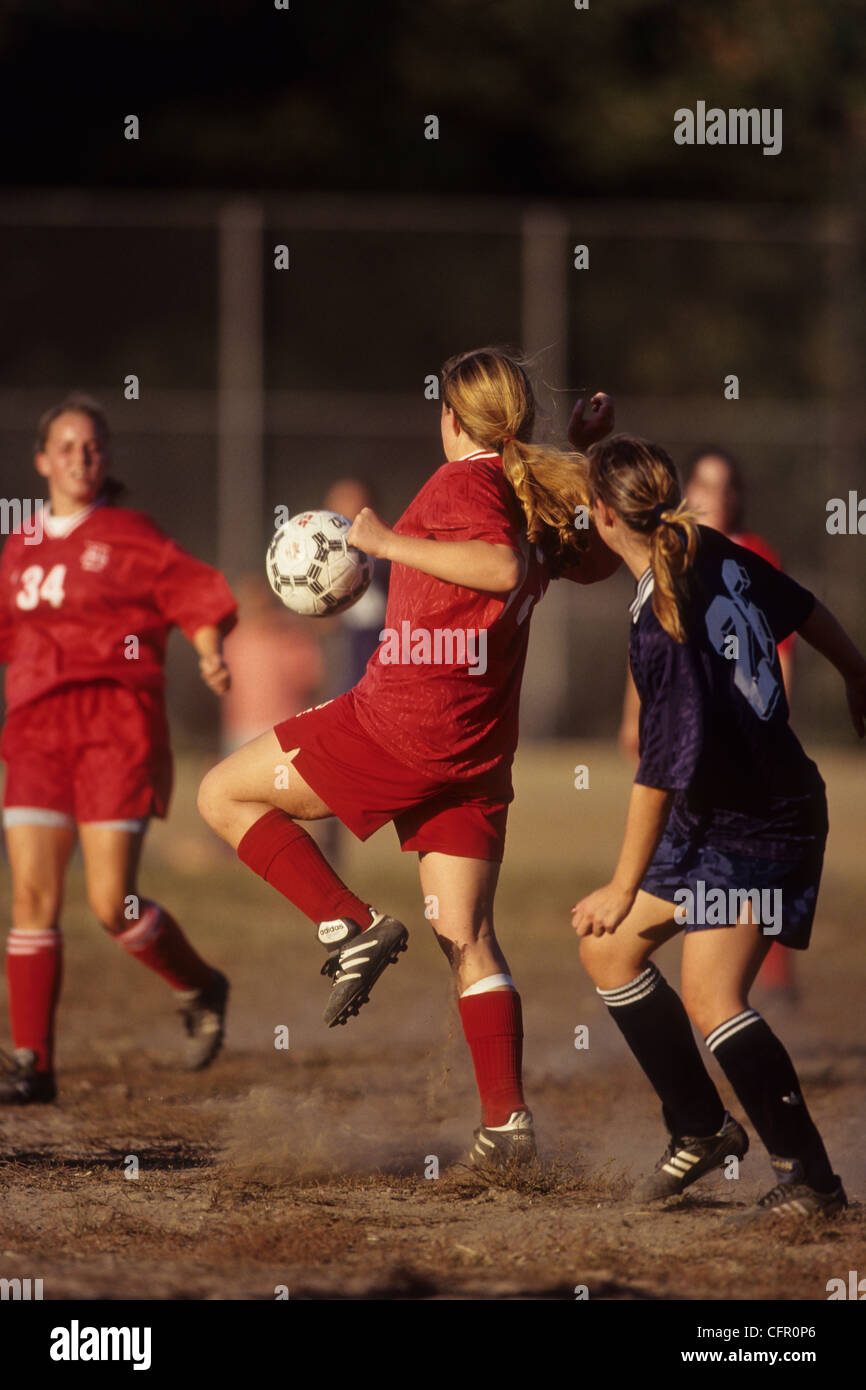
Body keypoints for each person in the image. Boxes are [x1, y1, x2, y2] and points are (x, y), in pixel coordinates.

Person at [197, 348, 619, 1169]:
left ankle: (349, 926)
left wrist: (387, 542)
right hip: (474, 750)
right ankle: (506, 1125)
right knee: (464, 932)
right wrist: (588, 467)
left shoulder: (465, 484)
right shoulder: (523, 495)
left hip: (400, 726)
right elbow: (597, 557)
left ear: (454, 418)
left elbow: (496, 567)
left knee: (221, 794)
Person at [573, 435, 864, 1220]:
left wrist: (621, 882)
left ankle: (813, 1181)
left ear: (603, 517)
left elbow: (659, 772)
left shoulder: (657, 629)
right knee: (607, 948)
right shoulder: (702, 544)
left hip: (761, 827)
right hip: (730, 819)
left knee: (710, 994)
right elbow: (803, 606)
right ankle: (700, 1131)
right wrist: (859, 671)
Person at [0, 395, 237, 1104]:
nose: (81, 456)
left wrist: (208, 651)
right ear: (42, 460)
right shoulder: (18, 547)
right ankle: (32, 1064)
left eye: (93, 446)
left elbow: (194, 593)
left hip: (116, 725)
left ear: (105, 459)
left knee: (111, 904)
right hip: (37, 729)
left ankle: (201, 984)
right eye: (67, 445)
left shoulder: (130, 535)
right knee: (32, 897)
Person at [618, 446, 798, 1001]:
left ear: (736, 496)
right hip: (687, 737)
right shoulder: (671, 553)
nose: (711, 496)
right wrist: (633, 715)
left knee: (736, 853)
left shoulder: (752, 555)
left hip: (735, 739)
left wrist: (775, 727)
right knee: (688, 847)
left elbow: (784, 646)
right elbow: (652, 642)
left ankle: (763, 968)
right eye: (701, 483)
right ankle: (700, 958)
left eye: (722, 486)